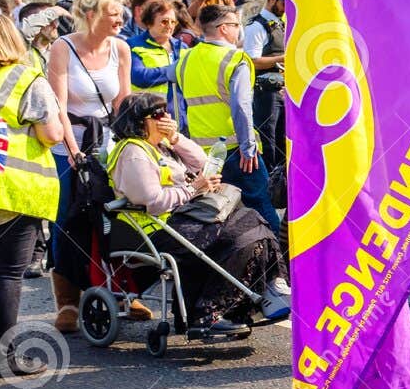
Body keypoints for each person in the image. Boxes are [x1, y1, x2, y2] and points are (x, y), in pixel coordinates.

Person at [105, 92, 281, 332]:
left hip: (185, 218)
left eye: (166, 112)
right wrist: (193, 189)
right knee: (237, 236)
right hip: (156, 228)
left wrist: (175, 137)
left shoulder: (162, 145)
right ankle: (208, 312)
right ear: (139, 121)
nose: (166, 117)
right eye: (158, 114)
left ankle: (264, 290)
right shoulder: (133, 152)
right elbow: (152, 200)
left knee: (251, 223)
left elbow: (202, 162)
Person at [46, 0, 133, 333]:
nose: (121, 18)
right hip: (70, 146)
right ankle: (67, 300)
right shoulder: (62, 48)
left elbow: (123, 105)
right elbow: (58, 107)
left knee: (117, 217)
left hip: (107, 144)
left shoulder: (122, 49)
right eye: (113, 13)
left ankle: (122, 288)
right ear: (91, 15)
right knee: (67, 220)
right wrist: (73, 151)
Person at [0, 15, 63, 378]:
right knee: (4, 275)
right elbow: (51, 135)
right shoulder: (26, 78)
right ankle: (3, 358)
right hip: (11, 190)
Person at [178, 4, 281, 235]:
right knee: (262, 204)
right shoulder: (236, 58)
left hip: (202, 154)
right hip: (237, 150)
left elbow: (180, 105)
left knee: (213, 211)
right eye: (236, 25)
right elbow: (241, 106)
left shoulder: (186, 58)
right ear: (224, 28)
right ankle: (281, 262)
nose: (239, 30)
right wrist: (248, 147)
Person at [242, 0, 288, 183]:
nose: (286, 8)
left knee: (282, 141)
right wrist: (285, 58)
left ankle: (281, 184)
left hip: (282, 91)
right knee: (269, 142)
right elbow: (252, 60)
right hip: (266, 94)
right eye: (283, 3)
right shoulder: (257, 27)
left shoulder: (281, 24)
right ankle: (270, 185)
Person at [128, 0, 186, 118]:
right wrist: (173, 70)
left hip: (181, 118)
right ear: (149, 23)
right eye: (164, 21)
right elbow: (139, 76)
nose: (170, 26)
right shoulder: (132, 45)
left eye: (173, 22)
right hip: (149, 117)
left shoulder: (182, 47)